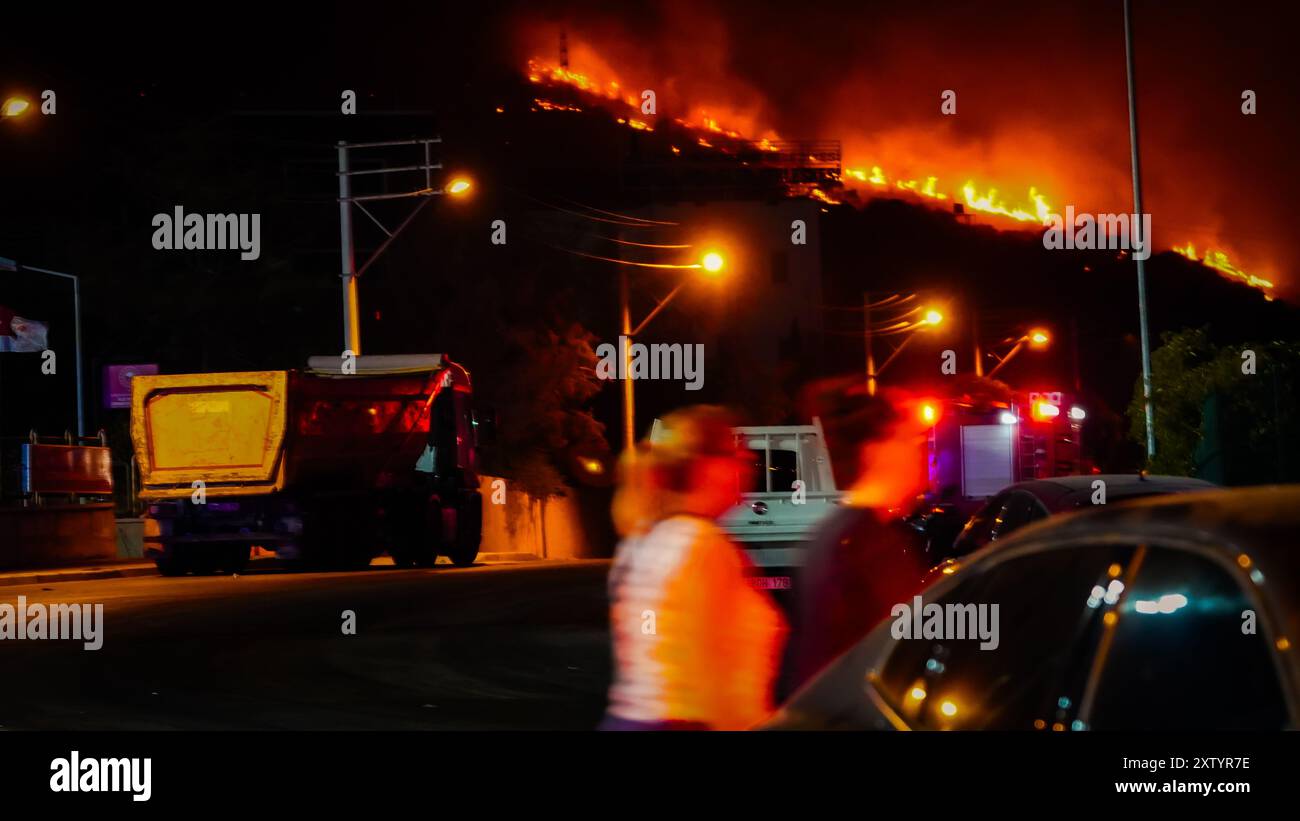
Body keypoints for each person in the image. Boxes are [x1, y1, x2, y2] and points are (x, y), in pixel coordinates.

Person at [602, 406, 788, 731]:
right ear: (705, 466)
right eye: (736, 455)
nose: (747, 466)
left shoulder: (649, 536)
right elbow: (702, 680)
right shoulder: (701, 544)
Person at [776, 379, 932, 701]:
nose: (921, 455)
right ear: (875, 452)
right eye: (909, 441)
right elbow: (899, 652)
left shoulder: (835, 534)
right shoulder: (869, 545)